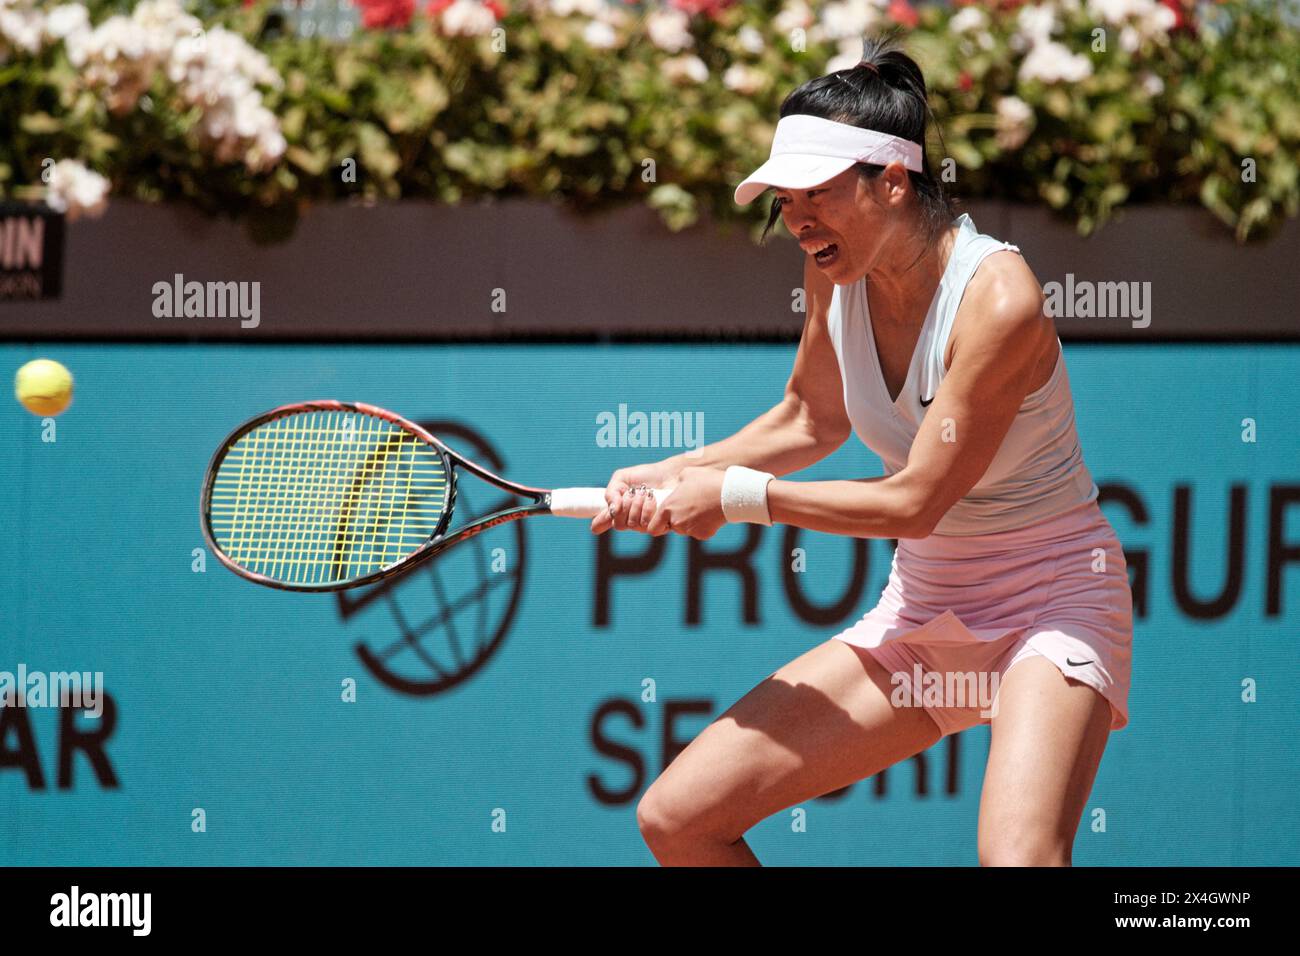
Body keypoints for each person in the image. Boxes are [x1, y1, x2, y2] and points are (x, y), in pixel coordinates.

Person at [588, 37, 1134, 867]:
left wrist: (734, 497)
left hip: (1053, 602)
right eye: (784, 198)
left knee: (1019, 860)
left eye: (816, 193)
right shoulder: (833, 272)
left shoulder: (1000, 298)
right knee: (678, 817)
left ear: (890, 181)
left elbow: (915, 501)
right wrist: (677, 470)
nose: (796, 218)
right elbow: (811, 419)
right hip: (926, 612)